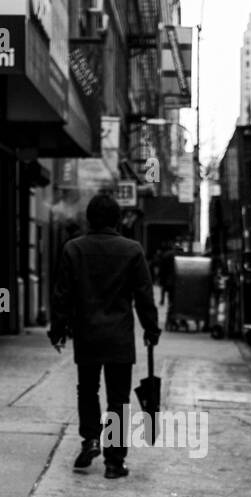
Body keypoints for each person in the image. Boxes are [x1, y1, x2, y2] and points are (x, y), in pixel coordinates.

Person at [50, 193, 160, 479]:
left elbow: (63, 295)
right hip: (119, 337)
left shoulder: (74, 249)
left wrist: (58, 329)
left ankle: (90, 439)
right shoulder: (132, 250)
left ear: (89, 218)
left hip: (86, 333)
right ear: (116, 219)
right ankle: (114, 461)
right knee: (118, 398)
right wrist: (151, 328)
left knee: (87, 390)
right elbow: (143, 295)